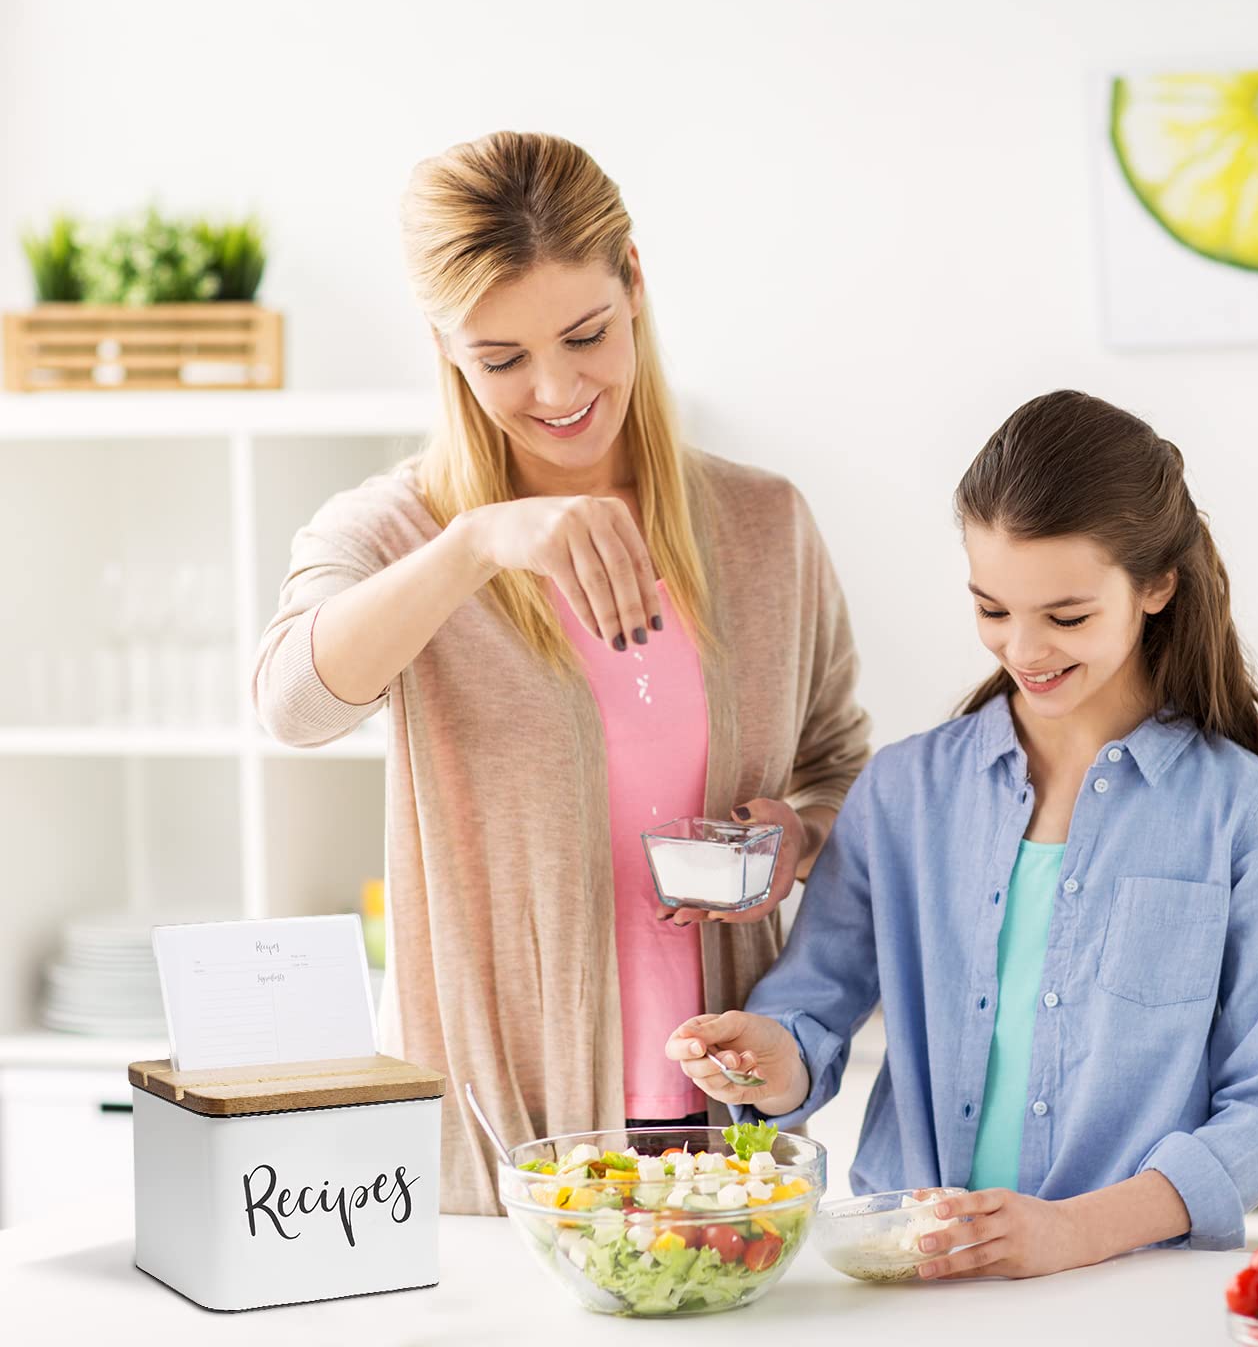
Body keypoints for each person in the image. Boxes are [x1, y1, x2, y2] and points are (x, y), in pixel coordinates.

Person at [253, 131, 870, 1214]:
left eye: (584, 335)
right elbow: (290, 705)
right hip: (503, 1148)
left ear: (634, 281)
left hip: (722, 1133)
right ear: (445, 346)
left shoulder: (764, 524)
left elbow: (840, 763)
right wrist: (477, 544)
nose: (555, 389)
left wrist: (797, 838)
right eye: (500, 358)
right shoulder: (399, 534)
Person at [668, 390, 1258, 1276]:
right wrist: (766, 1061)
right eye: (992, 609)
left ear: (1157, 586)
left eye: (1066, 617)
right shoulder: (904, 792)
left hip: (1129, 1292)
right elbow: (811, 1018)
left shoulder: (1241, 814)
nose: (1024, 650)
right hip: (911, 1279)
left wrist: (1073, 1232)